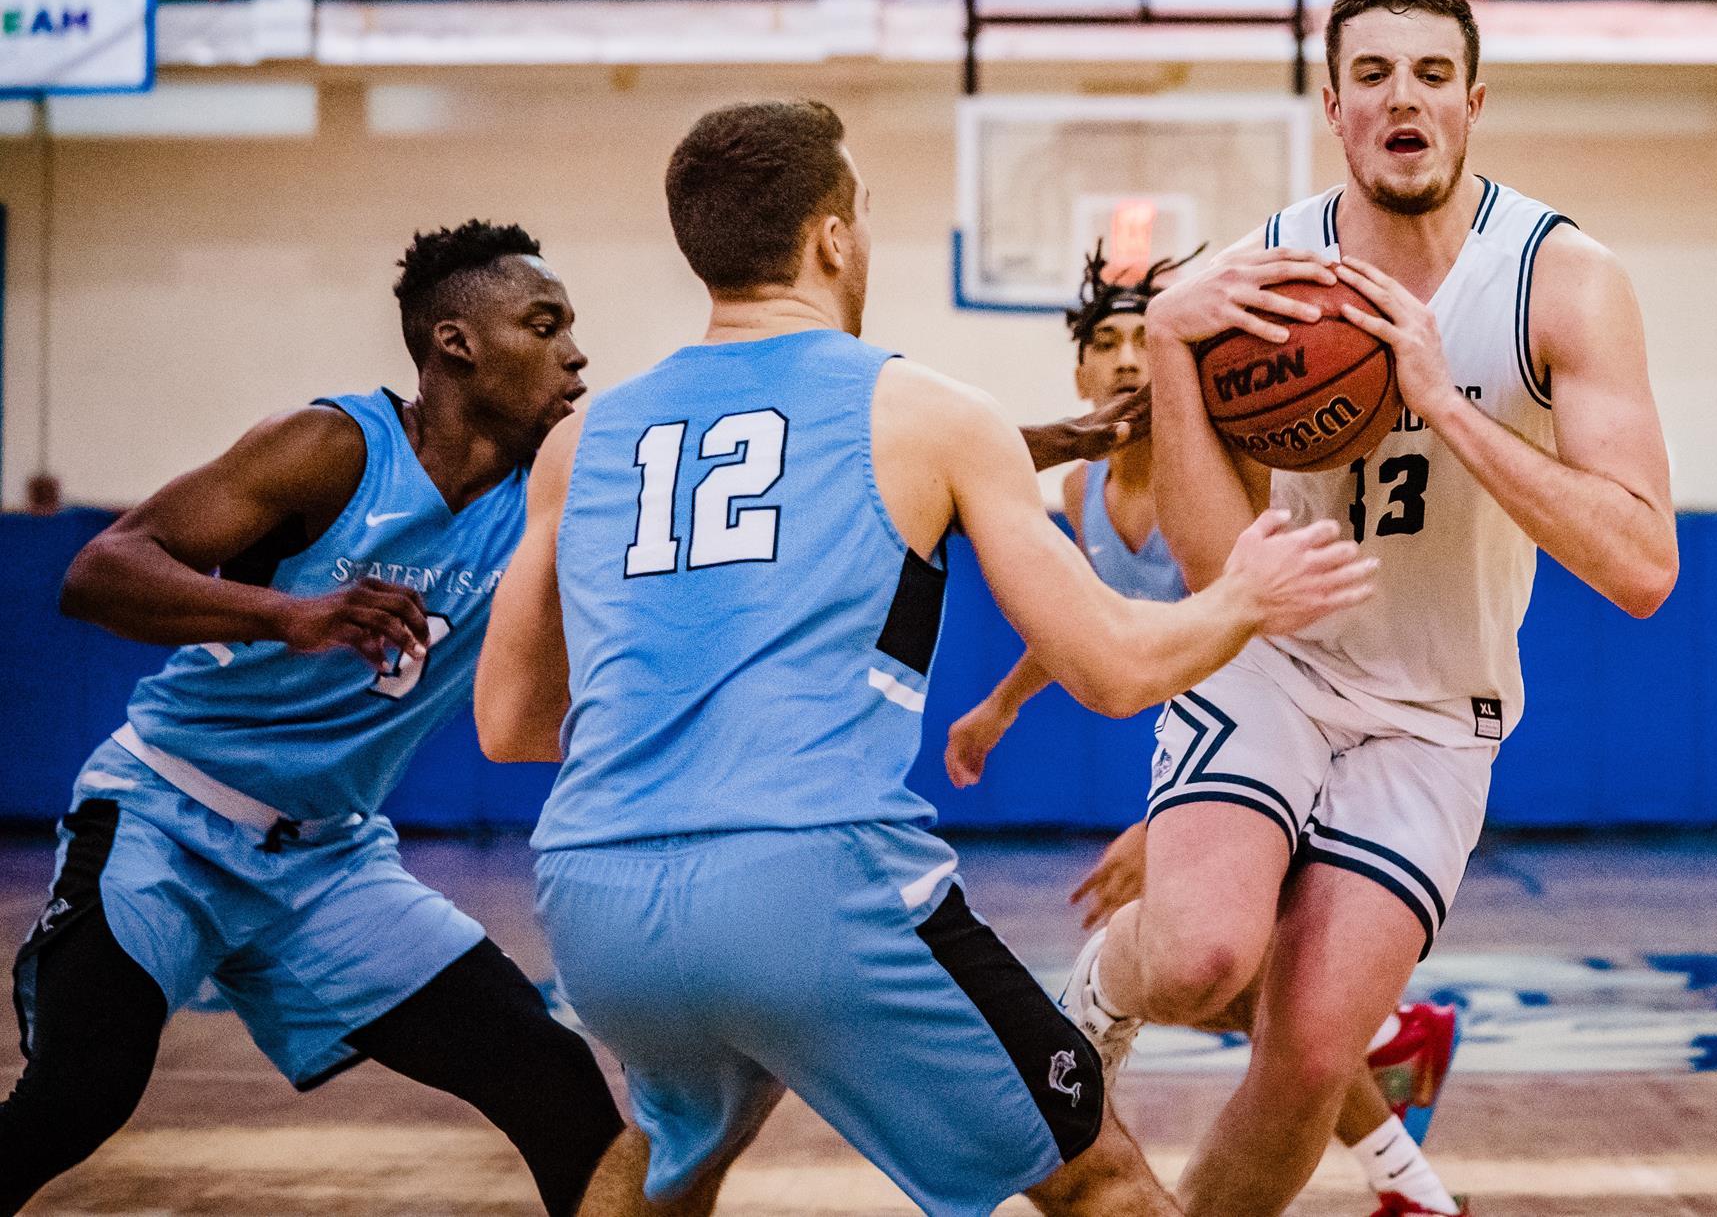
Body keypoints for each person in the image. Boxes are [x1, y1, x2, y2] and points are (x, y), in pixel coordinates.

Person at [475, 99, 1377, 1216]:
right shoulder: (927, 409)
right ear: (833, 237)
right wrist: (1244, 596)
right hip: (809, 882)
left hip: (595, 898)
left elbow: (508, 723)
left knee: (673, 1163)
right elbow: (1108, 668)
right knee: (1097, 1177)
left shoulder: (581, 438)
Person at [1060, 0, 1678, 1217]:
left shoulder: (1560, 279)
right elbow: (1209, 568)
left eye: (1433, 75)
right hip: (1274, 664)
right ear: (1334, 107)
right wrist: (1175, 352)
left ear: (1472, 103)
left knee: (1306, 1061)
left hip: (1435, 710)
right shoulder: (1258, 279)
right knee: (1198, 959)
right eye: (1376, 76)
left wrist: (1442, 401)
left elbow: (1640, 567)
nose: (1406, 99)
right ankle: (1092, 991)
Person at [0, 221, 623, 1217]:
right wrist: (291, 613)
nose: (574, 352)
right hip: (167, 815)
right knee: (78, 1097)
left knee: (555, 1084)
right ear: (455, 343)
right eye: (543, 324)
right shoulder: (333, 448)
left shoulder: (546, 499)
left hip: (329, 863)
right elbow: (99, 568)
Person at [946, 244, 1466, 1212]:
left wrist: (1168, 828)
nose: (1125, 361)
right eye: (1104, 342)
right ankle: (1407, 1139)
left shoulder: (1239, 457)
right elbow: (1088, 611)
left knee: (1239, 977)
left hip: (1277, 725)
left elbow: (1254, 649)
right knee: (1248, 992)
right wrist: (1002, 705)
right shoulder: (1076, 490)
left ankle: (1398, 1112)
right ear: (1081, 370)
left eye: (1140, 339)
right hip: (1198, 730)